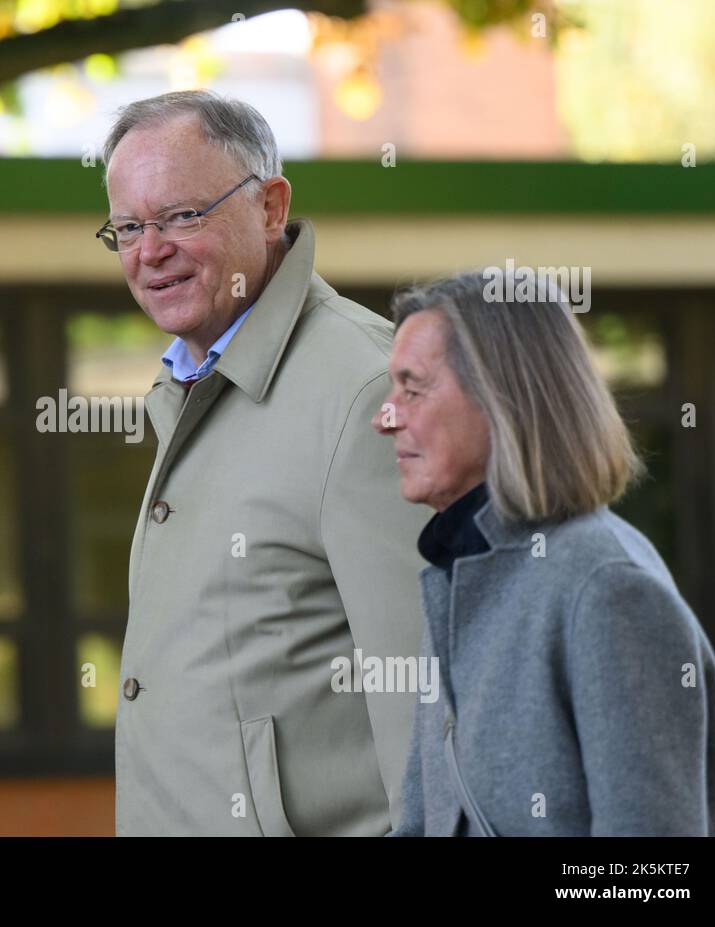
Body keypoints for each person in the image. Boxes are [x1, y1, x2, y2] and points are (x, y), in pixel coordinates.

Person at [101, 90, 430, 836]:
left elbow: (428, 710)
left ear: (271, 207)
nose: (150, 250)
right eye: (128, 227)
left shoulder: (366, 389)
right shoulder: (186, 378)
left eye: (183, 216)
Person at [373, 270, 715, 836]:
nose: (384, 418)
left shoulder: (609, 588)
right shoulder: (463, 576)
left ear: (504, 396)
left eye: (412, 388)